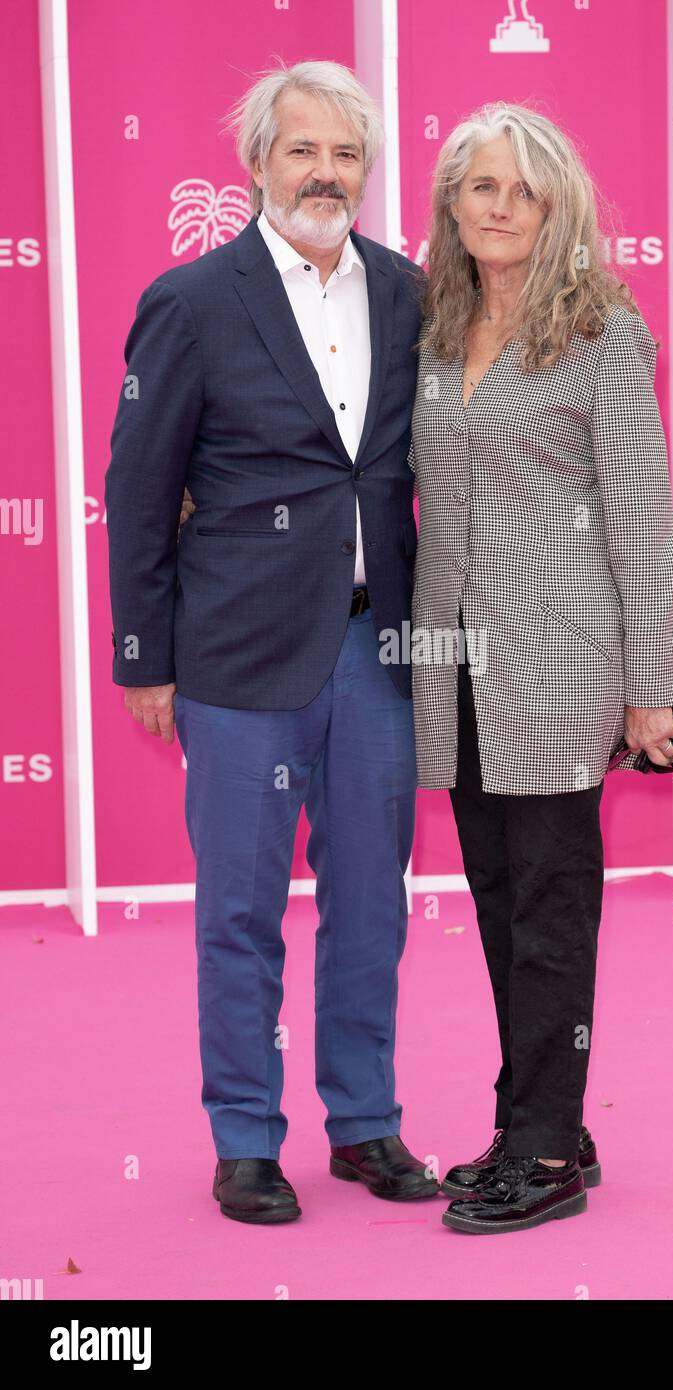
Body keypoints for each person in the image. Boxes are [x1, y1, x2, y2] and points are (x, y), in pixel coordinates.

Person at [105, 60, 438, 1225]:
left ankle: (365, 1123)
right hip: (238, 658)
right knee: (240, 907)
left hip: (376, 654)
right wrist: (144, 654)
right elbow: (139, 487)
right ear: (258, 163)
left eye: (346, 154)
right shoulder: (193, 300)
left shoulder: (406, 294)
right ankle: (244, 1136)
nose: (325, 173)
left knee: (373, 899)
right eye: (303, 150)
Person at [407, 102, 673, 1234]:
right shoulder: (435, 327)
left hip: (561, 663)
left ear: (554, 206)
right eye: (478, 185)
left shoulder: (601, 333)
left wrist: (652, 684)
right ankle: (539, 1115)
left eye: (519, 189)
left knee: (551, 904)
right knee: (496, 898)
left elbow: (641, 517)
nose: (496, 204)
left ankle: (541, 1151)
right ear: (452, 202)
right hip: (456, 664)